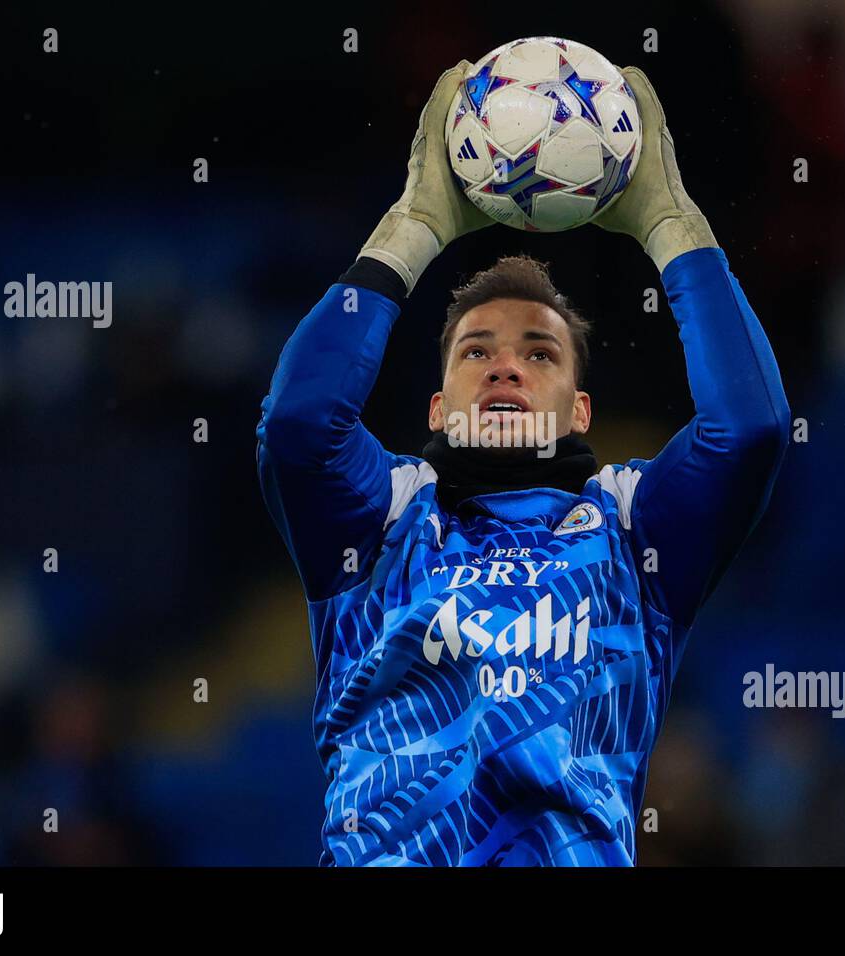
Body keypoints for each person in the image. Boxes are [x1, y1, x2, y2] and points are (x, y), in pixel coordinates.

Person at [257, 60, 790, 866]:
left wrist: (670, 224)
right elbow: (298, 423)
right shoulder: (382, 517)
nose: (505, 367)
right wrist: (412, 227)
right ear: (437, 407)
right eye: (477, 351)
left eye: (539, 353)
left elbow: (749, 427)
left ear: (581, 411)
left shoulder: (633, 528)